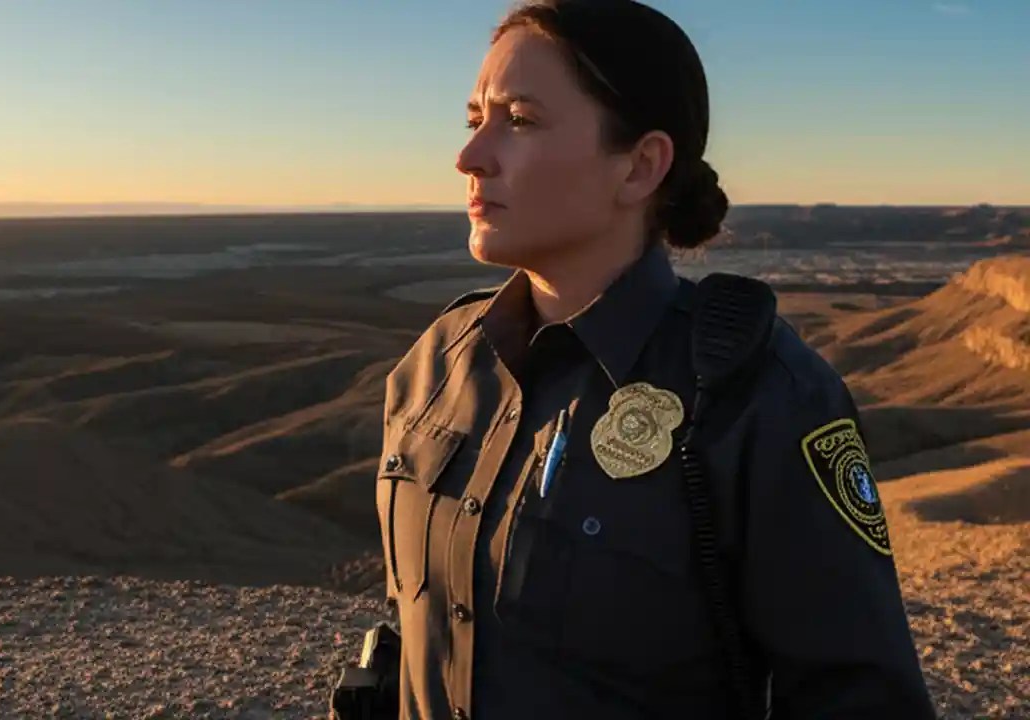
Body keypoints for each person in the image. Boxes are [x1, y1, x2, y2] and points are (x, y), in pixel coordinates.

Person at [371, 1, 936, 718]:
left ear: (639, 166)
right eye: (474, 118)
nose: (470, 156)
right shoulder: (437, 367)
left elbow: (859, 700)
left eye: (519, 120)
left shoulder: (759, 400)